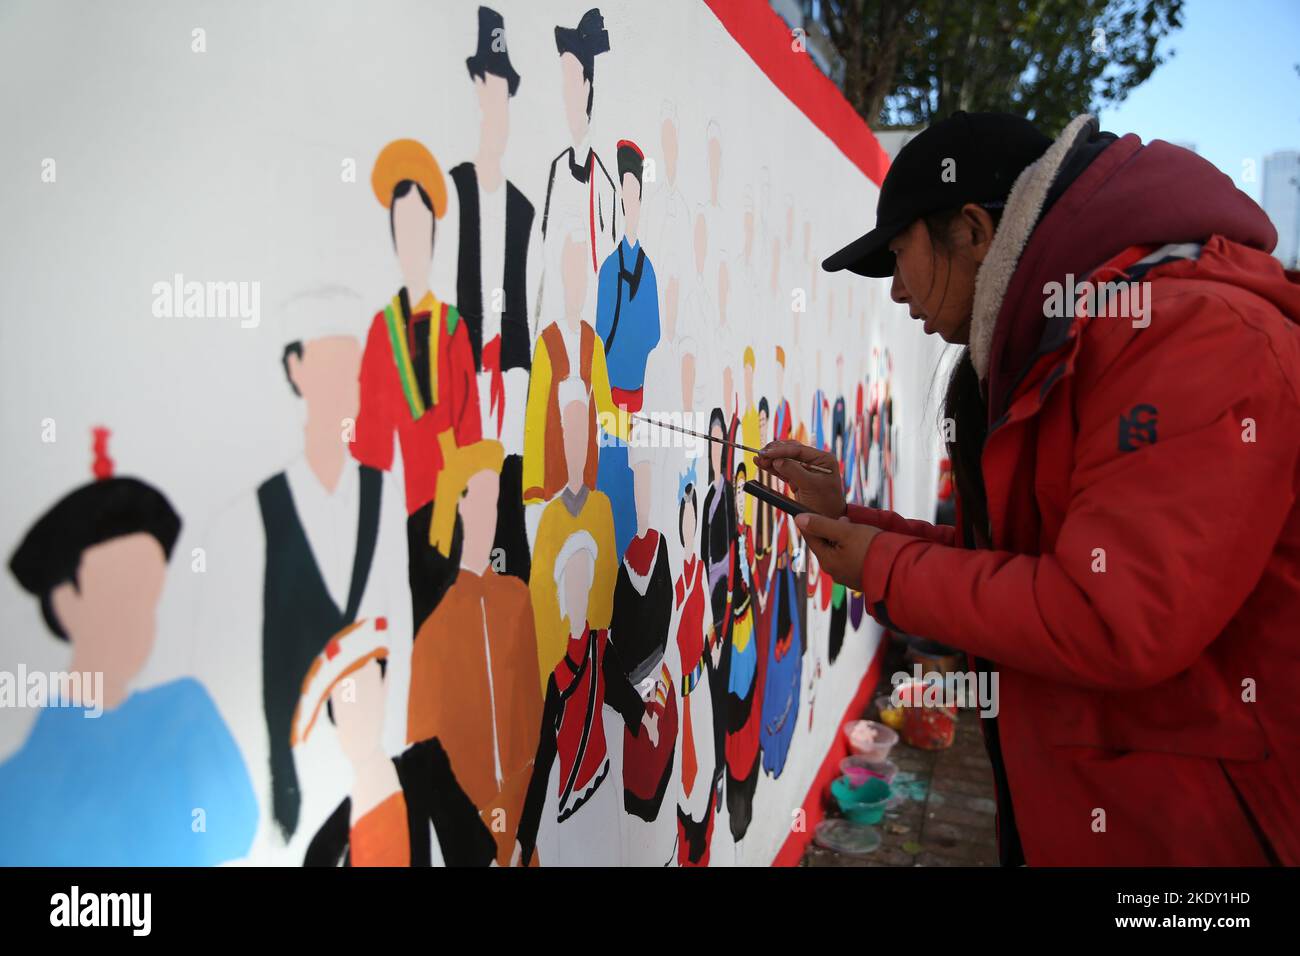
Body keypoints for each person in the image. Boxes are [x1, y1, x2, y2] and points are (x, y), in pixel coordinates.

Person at [760, 110, 1300, 866]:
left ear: (974, 231)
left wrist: (879, 564)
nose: (895, 295)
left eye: (899, 256)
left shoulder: (1190, 332)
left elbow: (1107, 615)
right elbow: (1028, 567)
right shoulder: (1081, 336)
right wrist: (850, 521)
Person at [1, 429, 258, 865]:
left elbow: (235, 831)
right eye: (118, 593)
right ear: (66, 600)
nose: (137, 619)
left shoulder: (187, 716)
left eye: (148, 597)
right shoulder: (21, 785)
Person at [353, 138, 481, 633]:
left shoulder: (454, 330)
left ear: (432, 234)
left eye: (419, 227)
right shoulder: (380, 333)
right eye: (401, 228)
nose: (411, 241)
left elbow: (470, 434)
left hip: (450, 518)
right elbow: (369, 446)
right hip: (399, 525)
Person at [406, 434, 542, 866]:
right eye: (476, 503)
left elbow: (534, 720)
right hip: (465, 835)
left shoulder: (515, 598)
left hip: (519, 828)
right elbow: (424, 746)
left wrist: (523, 825)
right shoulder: (435, 620)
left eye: (493, 503)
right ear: (457, 509)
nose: (486, 518)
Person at [448, 4, 537, 583]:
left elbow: (523, 317)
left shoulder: (524, 210)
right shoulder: (455, 191)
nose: (498, 102)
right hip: (464, 408)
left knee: (511, 564)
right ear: (477, 88)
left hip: (508, 411)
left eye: (508, 91)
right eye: (491, 86)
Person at [296, 620, 496, 867]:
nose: (357, 717)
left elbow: (478, 856)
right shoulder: (324, 849)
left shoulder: (426, 770)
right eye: (345, 704)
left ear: (385, 686)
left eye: (365, 691)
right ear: (334, 717)